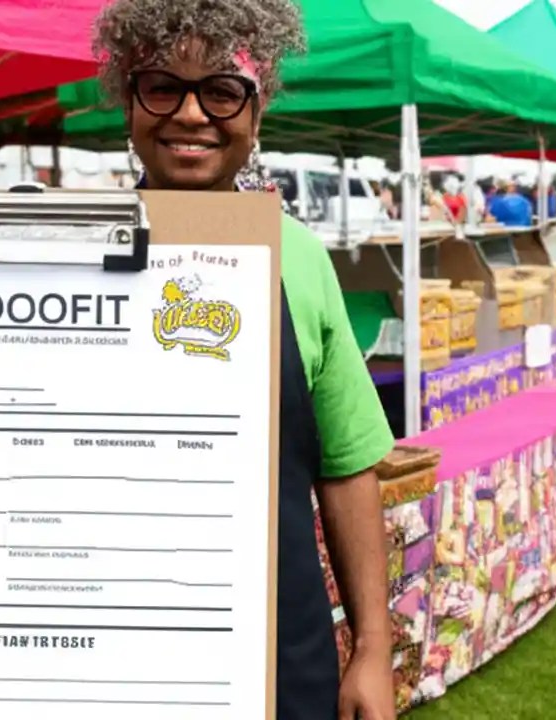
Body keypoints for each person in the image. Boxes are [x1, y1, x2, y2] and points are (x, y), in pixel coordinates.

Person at [92, 2, 396, 717]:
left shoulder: (300, 256)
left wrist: (374, 649)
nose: (191, 114)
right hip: (105, 655)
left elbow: (347, 464)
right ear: (130, 106)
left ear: (255, 117)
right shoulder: (71, 251)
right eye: (162, 87)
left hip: (276, 654)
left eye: (222, 92)